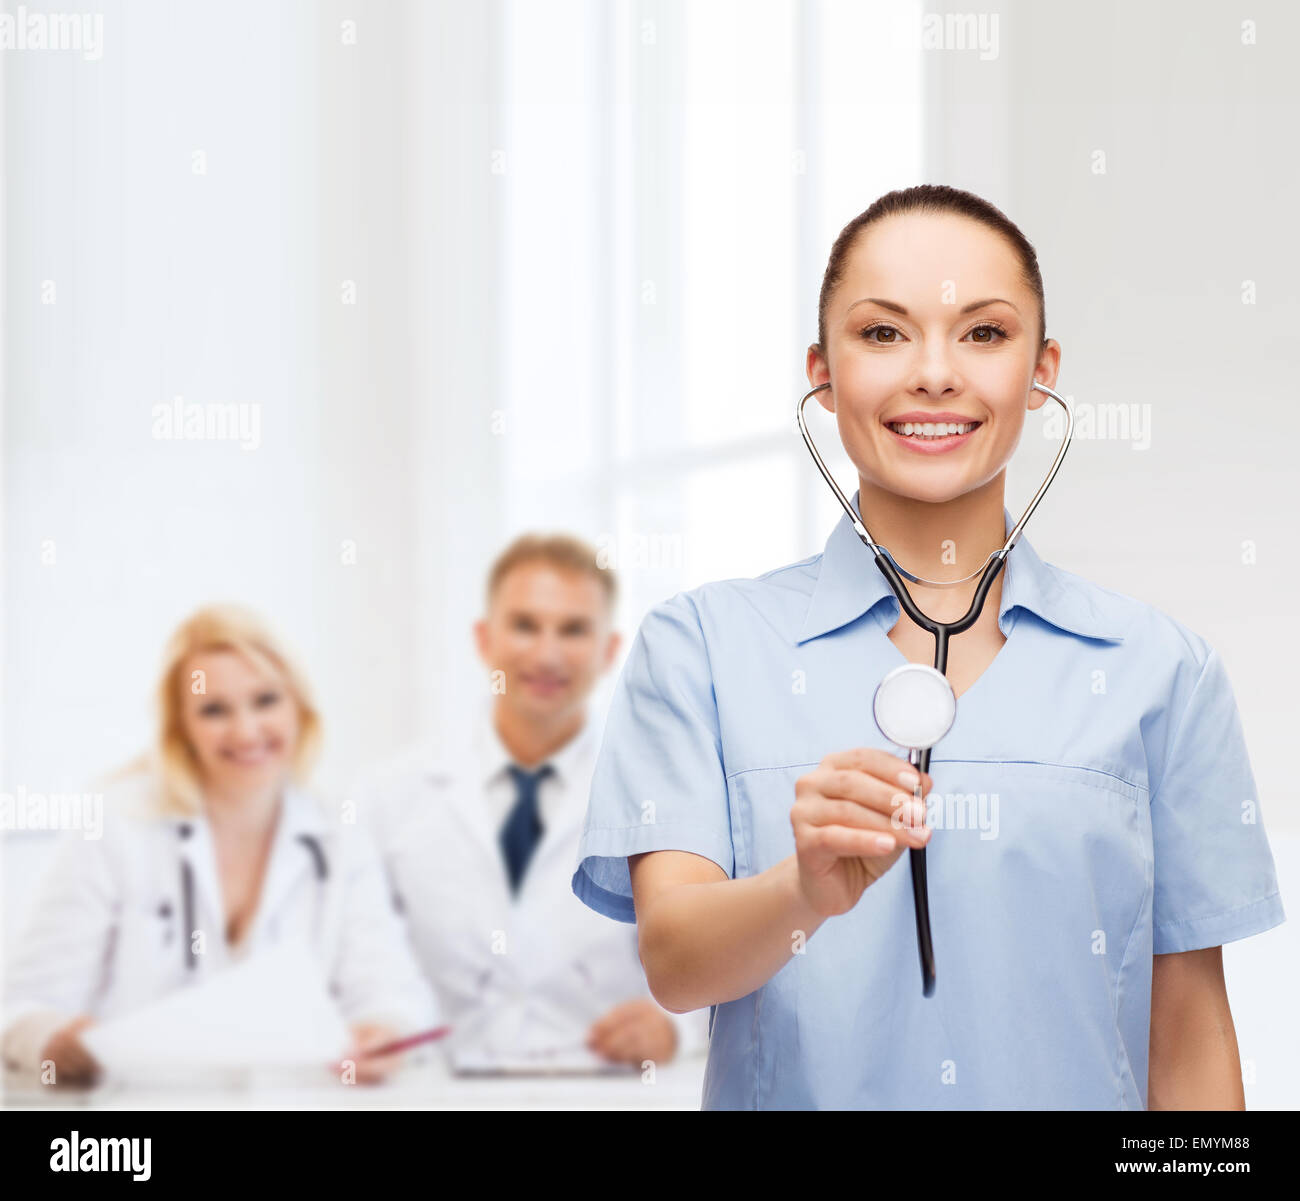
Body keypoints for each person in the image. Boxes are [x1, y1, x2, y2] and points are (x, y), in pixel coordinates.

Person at [570, 183, 1286, 1110]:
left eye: (984, 333)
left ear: (1042, 370)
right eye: (883, 333)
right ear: (822, 374)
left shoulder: (1160, 668)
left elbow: (1188, 1038)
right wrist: (802, 892)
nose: (936, 373)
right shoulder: (700, 648)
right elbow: (676, 963)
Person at [2, 605, 438, 1086]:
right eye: (214, 710)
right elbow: (22, 1005)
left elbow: (394, 992)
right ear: (181, 728)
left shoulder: (338, 834)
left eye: (266, 701)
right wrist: (51, 1040)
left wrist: (383, 1032)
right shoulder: (114, 826)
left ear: (299, 707)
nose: (246, 731)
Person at [356, 534, 708, 1067]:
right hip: (442, 1094)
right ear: (484, 639)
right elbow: (370, 957)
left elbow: (711, 950)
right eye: (524, 626)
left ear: (609, 650)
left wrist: (674, 1030)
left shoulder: (661, 792)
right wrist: (387, 1027)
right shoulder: (390, 796)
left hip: (603, 1097)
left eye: (573, 630)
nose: (547, 654)